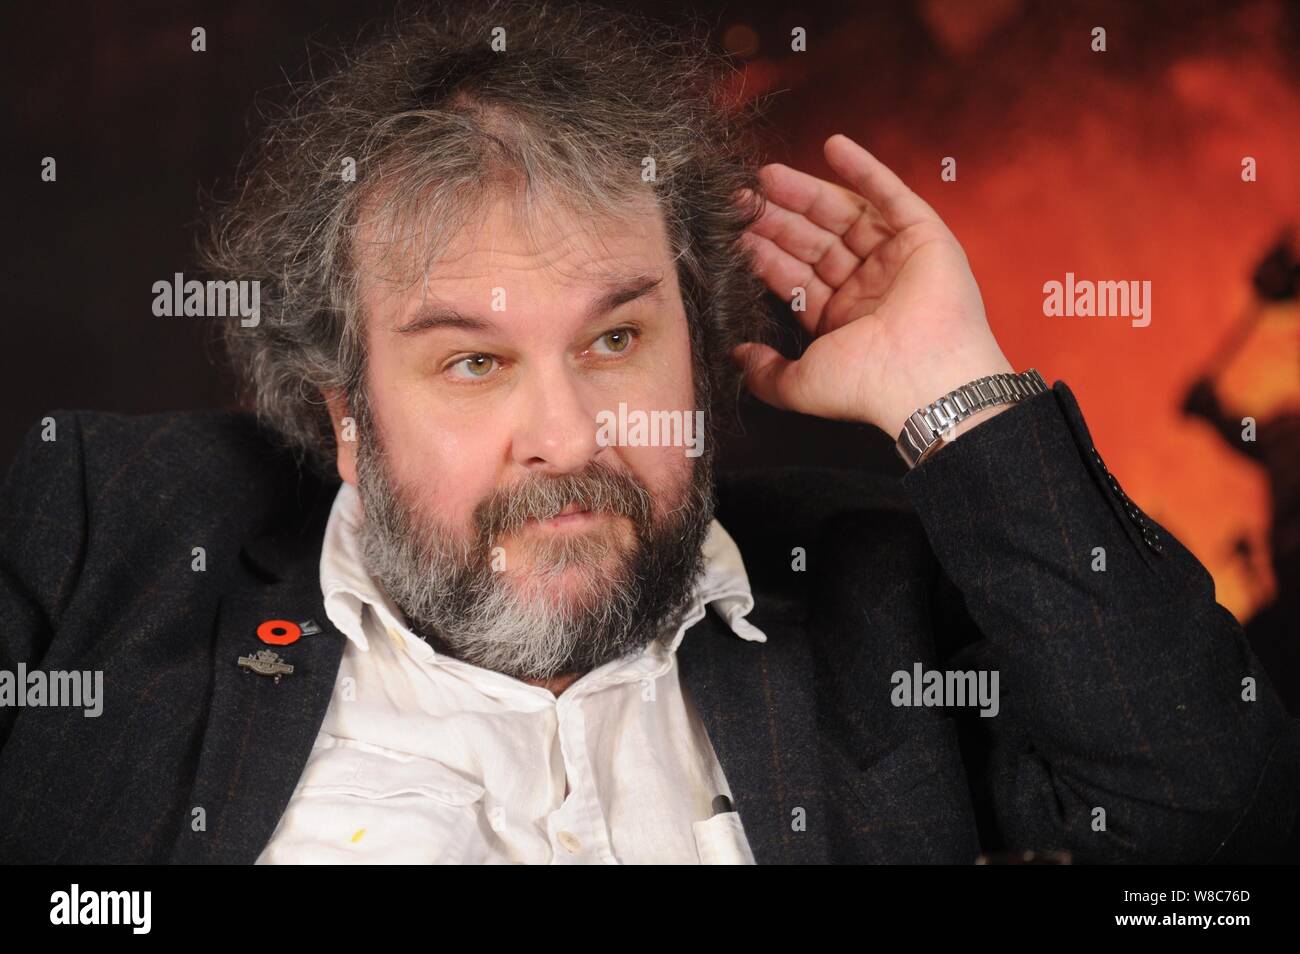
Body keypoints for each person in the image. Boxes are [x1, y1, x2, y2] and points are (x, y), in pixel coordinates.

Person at [1, 0, 1296, 864]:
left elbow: (1214, 802)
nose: (564, 434)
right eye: (471, 361)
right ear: (345, 415)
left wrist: (953, 389)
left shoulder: (882, 597)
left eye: (617, 339)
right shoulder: (109, 532)